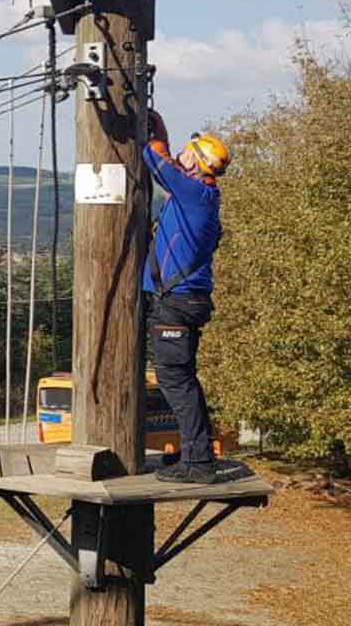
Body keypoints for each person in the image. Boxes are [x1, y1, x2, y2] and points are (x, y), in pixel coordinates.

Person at [144, 111, 230, 485]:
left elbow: (153, 158)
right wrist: (159, 125)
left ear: (195, 159)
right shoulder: (200, 194)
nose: (181, 154)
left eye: (186, 151)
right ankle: (196, 452)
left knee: (176, 381)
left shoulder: (194, 192)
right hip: (182, 301)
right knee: (181, 380)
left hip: (176, 303)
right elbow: (164, 159)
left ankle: (198, 463)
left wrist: (153, 130)